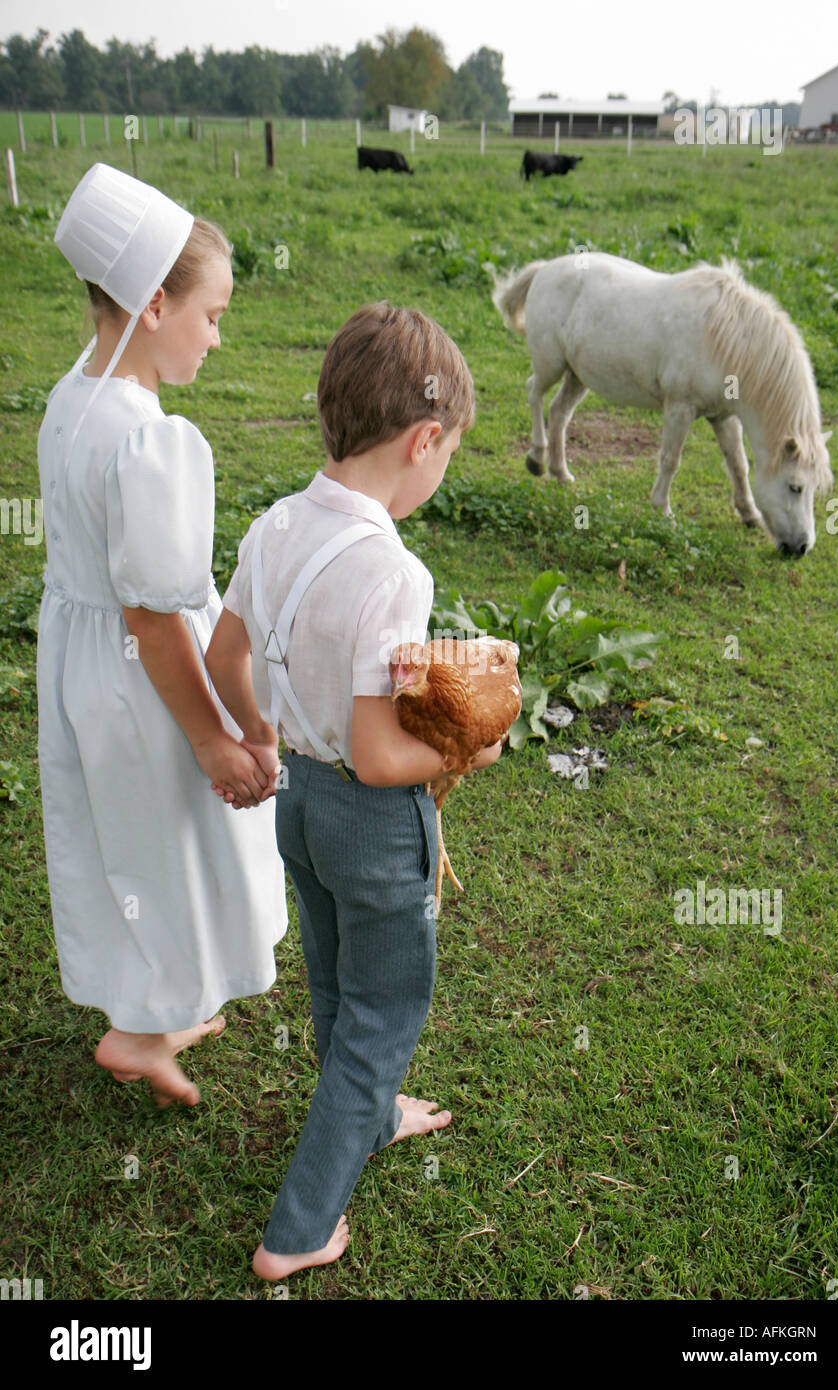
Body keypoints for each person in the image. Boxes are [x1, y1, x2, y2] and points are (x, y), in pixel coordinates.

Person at [205, 302, 503, 1277]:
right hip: (372, 823)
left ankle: (368, 1119)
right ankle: (297, 1230)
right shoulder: (392, 569)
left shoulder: (275, 524)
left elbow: (224, 652)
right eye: (449, 450)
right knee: (381, 1017)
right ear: (425, 439)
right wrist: (470, 754)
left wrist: (260, 735)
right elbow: (383, 758)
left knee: (337, 984)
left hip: (299, 802)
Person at [37, 163, 287, 1108]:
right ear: (150, 304)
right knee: (180, 845)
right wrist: (213, 733)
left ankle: (156, 1005)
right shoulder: (151, 438)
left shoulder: (71, 400)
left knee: (126, 842)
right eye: (212, 313)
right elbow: (154, 615)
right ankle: (145, 1029)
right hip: (147, 677)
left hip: (81, 661)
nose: (218, 336)